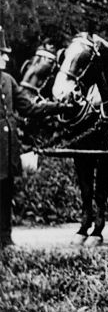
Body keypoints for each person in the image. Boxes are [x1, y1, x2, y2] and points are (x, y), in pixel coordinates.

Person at [1, 29, 70, 249]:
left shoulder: (8, 80)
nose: (6, 57)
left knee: (4, 195)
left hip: (7, 150)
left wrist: (61, 106)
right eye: (1, 53)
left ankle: (5, 240)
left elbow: (29, 108)